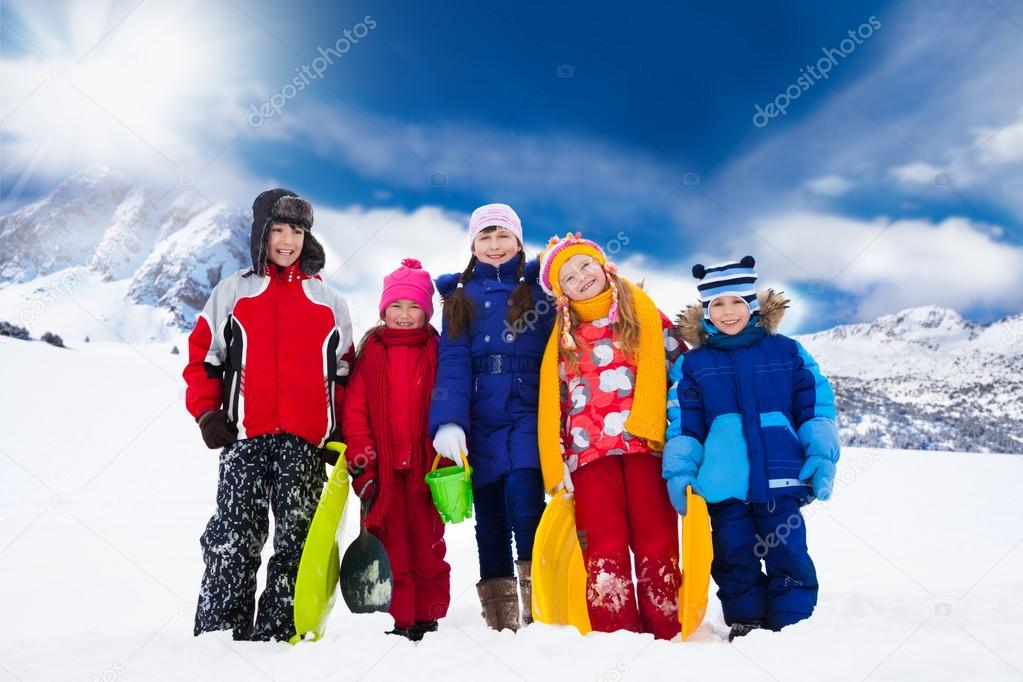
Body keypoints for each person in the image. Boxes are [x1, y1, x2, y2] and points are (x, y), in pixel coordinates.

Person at [183, 189, 353, 642]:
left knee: (297, 542)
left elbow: (343, 375)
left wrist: (341, 432)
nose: (287, 241)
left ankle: (282, 633)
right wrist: (206, 413)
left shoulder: (329, 302)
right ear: (261, 233)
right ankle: (221, 632)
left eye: (296, 231)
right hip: (245, 438)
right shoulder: (233, 291)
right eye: (278, 230)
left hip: (305, 444)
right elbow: (203, 358)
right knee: (233, 538)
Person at [664, 256, 840, 640]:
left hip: (781, 474)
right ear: (706, 312)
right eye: (717, 305)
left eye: (736, 303)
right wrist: (680, 471)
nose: (728, 313)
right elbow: (684, 422)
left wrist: (819, 454)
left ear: (753, 305)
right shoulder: (694, 365)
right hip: (722, 482)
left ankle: (792, 621)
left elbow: (815, 407)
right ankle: (745, 619)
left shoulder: (787, 352)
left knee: (788, 549)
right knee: (732, 554)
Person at [536, 231, 685, 640]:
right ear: (560, 293)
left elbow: (683, 378)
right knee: (604, 549)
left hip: (646, 448)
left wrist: (686, 437)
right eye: (568, 276)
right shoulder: (562, 339)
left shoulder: (645, 316)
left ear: (604, 266)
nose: (581, 276)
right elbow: (557, 402)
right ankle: (614, 638)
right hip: (588, 459)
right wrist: (557, 459)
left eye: (585, 265)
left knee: (657, 544)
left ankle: (666, 634)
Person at [429, 203, 554, 630]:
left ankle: (542, 608)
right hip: (481, 414)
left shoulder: (541, 289)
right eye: (486, 237)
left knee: (525, 501)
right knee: (490, 520)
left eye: (503, 236)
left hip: (527, 410)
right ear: (473, 245)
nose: (495, 245)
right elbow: (452, 361)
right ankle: (502, 620)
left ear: (518, 241)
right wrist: (449, 421)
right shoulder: (459, 299)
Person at [343, 258, 450, 642]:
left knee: (428, 545)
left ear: (426, 311)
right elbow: (355, 415)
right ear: (383, 310)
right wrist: (364, 468)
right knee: (392, 549)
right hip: (383, 474)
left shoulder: (438, 352)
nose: (405, 315)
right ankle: (401, 620)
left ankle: (429, 617)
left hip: (426, 470)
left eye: (414, 307)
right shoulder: (370, 353)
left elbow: (450, 405)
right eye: (396, 307)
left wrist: (447, 461)